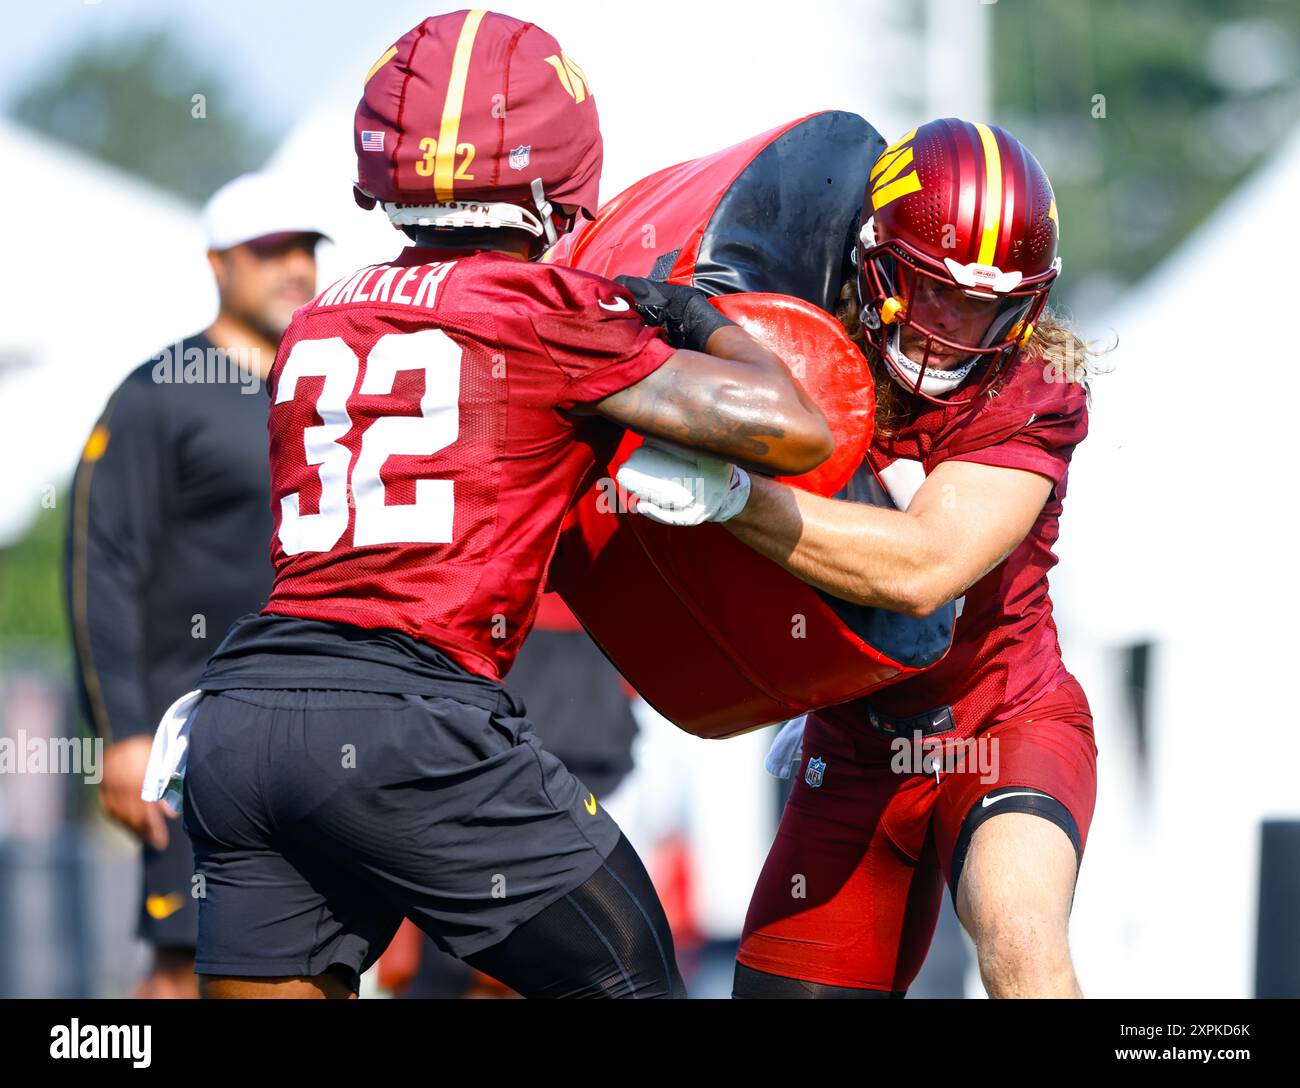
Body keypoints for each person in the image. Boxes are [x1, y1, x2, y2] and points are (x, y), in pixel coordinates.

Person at [154, 10, 831, 1000]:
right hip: (410, 720)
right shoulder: (543, 313)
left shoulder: (317, 314)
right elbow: (793, 423)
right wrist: (695, 317)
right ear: (558, 170)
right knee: (634, 982)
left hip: (242, 719)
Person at [615, 118, 1099, 998]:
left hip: (1000, 726)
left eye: (987, 305)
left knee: (1020, 940)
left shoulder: (1031, 392)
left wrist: (732, 497)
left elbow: (922, 569)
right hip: (855, 745)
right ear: (873, 264)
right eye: (933, 291)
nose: (957, 328)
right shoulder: (802, 343)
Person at [66, 172, 327, 997]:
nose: (293, 266)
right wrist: (125, 730)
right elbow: (101, 564)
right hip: (191, 738)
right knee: (185, 962)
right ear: (218, 263)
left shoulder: (328, 385)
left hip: (319, 726)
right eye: (268, 250)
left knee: (314, 960)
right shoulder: (157, 395)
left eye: (304, 248)